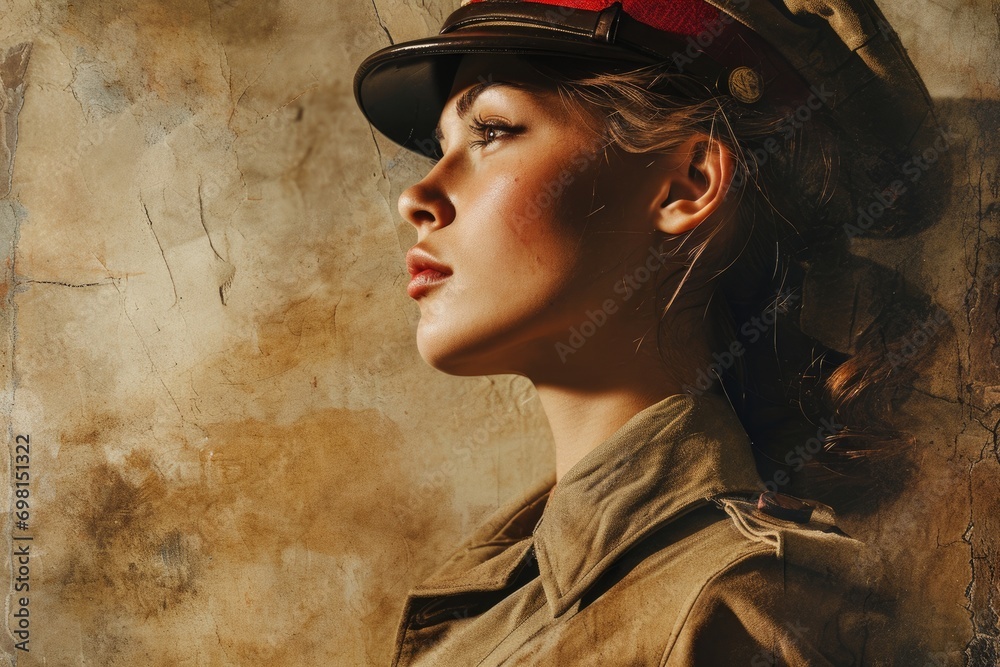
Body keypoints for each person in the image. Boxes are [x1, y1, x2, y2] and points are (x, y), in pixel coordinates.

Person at [354, 1, 950, 664]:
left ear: (686, 184)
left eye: (492, 130)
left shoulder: (743, 611)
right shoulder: (510, 591)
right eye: (442, 147)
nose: (417, 196)